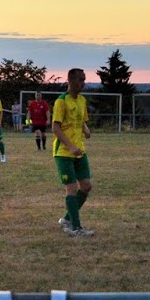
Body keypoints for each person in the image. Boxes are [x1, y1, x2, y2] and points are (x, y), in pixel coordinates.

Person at [51, 68, 95, 237]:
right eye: (80, 80)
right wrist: (70, 146)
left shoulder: (82, 101)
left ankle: (67, 218)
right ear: (71, 81)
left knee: (86, 187)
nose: (83, 83)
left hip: (79, 152)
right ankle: (76, 228)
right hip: (64, 153)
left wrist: (86, 129)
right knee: (71, 189)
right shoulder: (61, 102)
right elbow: (55, 128)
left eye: (84, 80)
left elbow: (82, 121)